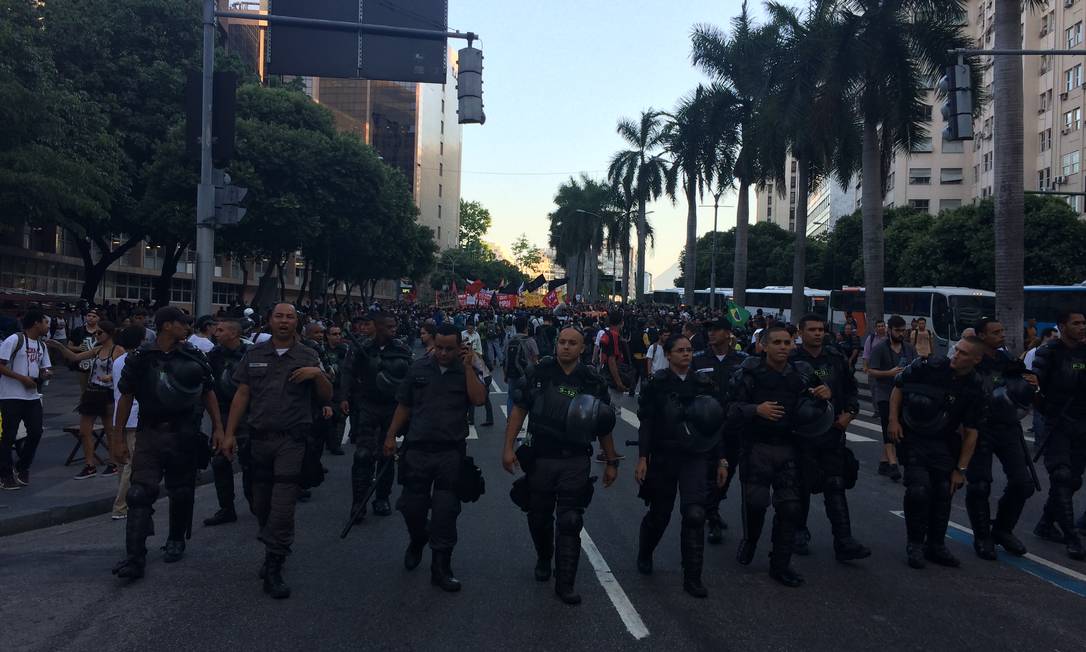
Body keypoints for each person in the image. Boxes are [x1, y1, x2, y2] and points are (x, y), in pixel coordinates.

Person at [502, 326, 620, 604]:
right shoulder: (538, 373)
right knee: (538, 516)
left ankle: (565, 583)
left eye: (572, 343)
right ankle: (544, 557)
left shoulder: (592, 379)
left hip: (575, 459)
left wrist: (611, 461)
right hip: (540, 456)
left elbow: (603, 425)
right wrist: (508, 448)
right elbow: (519, 410)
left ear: (582, 348)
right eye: (562, 342)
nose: (566, 347)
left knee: (570, 520)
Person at [225, 303, 332, 598]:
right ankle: (273, 542)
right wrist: (228, 434)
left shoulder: (309, 354)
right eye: (279, 316)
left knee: (283, 505)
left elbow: (327, 394)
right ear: (270, 321)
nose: (284, 321)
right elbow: (242, 395)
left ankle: (274, 563)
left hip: (292, 441)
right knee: (260, 504)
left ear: (297, 322)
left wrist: (317, 374)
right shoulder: (254, 354)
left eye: (290, 317)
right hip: (258, 440)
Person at [111, 307, 225, 581]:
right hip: (149, 432)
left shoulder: (194, 355)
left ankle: (176, 539)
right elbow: (125, 397)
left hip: (184, 433)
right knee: (138, 494)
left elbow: (208, 392)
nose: (186, 327)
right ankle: (135, 557)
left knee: (182, 491)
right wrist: (116, 438)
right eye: (181, 323)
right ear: (166, 326)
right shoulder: (140, 357)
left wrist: (219, 428)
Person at [382, 324, 487, 592]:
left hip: (450, 452)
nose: (442, 353)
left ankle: (441, 567)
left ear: (459, 346)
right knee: (411, 507)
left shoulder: (468, 369)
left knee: (445, 511)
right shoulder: (418, 368)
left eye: (449, 348)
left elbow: (478, 399)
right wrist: (391, 436)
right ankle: (418, 539)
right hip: (417, 449)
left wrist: (466, 367)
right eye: (439, 347)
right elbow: (404, 404)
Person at [730, 325, 830, 587]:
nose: (783, 347)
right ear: (764, 345)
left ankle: (781, 564)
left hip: (789, 447)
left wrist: (824, 394)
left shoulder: (803, 373)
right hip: (757, 447)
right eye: (777, 342)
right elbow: (728, 409)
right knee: (756, 503)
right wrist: (755, 409)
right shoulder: (748, 373)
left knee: (790, 507)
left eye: (787, 342)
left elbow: (823, 398)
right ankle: (750, 540)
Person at [634, 335, 729, 597]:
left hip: (696, 457)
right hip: (664, 457)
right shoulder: (658, 384)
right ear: (669, 354)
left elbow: (715, 426)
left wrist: (721, 459)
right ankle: (645, 552)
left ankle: (692, 577)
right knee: (659, 515)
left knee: (695, 515)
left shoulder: (703, 384)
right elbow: (647, 423)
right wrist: (643, 458)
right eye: (680, 350)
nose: (686, 354)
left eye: (689, 349)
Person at [888, 336, 984, 569]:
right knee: (919, 490)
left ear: (976, 359)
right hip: (914, 437)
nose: (956, 355)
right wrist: (892, 420)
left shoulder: (974, 385)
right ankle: (915, 545)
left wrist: (961, 470)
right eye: (956, 349)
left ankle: (936, 545)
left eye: (962, 353)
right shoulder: (929, 366)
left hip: (943, 442)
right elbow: (899, 386)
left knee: (943, 491)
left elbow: (972, 431)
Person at [789, 314, 870, 561]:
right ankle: (798, 532)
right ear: (801, 332)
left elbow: (851, 391)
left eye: (820, 329)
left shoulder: (835, 358)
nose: (817, 333)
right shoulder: (790, 360)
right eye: (811, 329)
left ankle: (843, 540)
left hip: (832, 432)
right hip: (800, 434)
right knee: (800, 485)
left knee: (835, 484)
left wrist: (850, 414)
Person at [965, 317, 1037, 560]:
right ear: (981, 336)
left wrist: (1030, 383)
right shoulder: (970, 359)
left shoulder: (1006, 359)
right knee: (980, 485)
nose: (1002, 335)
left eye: (1002, 330)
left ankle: (1003, 530)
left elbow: (1022, 380)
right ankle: (982, 535)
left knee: (1023, 483)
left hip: (1006, 427)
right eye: (995, 332)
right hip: (979, 428)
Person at [339, 312, 413, 519]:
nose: (393, 330)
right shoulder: (360, 347)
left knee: (387, 455)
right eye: (389, 327)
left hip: (392, 408)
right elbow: (347, 372)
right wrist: (343, 397)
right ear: (379, 327)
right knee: (362, 455)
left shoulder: (402, 349)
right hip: (367, 406)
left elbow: (411, 379)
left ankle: (382, 498)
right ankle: (358, 502)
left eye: (394, 327)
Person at [1032, 311, 1086, 560]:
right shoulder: (1049, 352)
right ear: (1062, 326)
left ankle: (1045, 523)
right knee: (1061, 476)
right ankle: (1072, 537)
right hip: (1056, 423)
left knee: (1074, 479)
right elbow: (1034, 385)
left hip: (1081, 422)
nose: (1082, 327)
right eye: (1077, 323)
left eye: (1084, 323)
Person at [692, 319, 747, 545]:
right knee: (708, 474)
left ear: (728, 334)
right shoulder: (698, 360)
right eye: (709, 331)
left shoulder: (743, 361)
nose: (711, 334)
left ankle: (712, 507)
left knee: (727, 472)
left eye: (716, 330)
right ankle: (712, 516)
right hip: (706, 426)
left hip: (733, 426)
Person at [49, 322, 125, 479]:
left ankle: (113, 463)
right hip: (92, 391)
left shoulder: (117, 350)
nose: (96, 335)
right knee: (85, 431)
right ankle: (89, 465)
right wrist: (59, 346)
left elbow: (122, 370)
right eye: (96, 333)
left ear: (109, 334)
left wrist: (110, 377)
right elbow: (75, 357)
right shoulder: (97, 350)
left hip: (107, 392)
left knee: (109, 430)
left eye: (99, 333)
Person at [202, 319, 252, 526]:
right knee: (220, 461)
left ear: (234, 333)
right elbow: (207, 387)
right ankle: (226, 508)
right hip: (222, 412)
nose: (216, 332)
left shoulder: (250, 353)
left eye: (221, 330)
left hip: (249, 414)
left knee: (251, 460)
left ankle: (255, 500)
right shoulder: (213, 355)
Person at [0, 311, 53, 490]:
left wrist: (45, 374)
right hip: (11, 395)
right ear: (36, 323)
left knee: (36, 431)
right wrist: (21, 378)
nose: (48, 326)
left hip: (32, 395)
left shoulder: (41, 345)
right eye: (46, 323)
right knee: (8, 436)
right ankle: (5, 474)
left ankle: (22, 466)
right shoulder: (15, 340)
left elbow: (45, 367)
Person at [868, 316, 918, 482]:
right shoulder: (879, 348)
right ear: (889, 330)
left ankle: (884, 461)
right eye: (897, 330)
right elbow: (871, 371)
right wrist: (889, 373)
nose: (900, 333)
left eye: (903, 330)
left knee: (902, 427)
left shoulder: (909, 349)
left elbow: (916, 366)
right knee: (887, 426)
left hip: (904, 394)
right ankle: (893, 464)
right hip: (884, 393)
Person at [110, 326, 146, 520]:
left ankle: (121, 500)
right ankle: (120, 505)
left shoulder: (118, 361)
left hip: (120, 416)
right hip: (134, 414)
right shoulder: (139, 360)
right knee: (131, 463)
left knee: (123, 463)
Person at [503, 316, 540, 416]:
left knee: (511, 397)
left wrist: (505, 374)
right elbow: (535, 359)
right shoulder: (530, 340)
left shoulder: (509, 339)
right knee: (529, 398)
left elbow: (505, 357)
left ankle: (510, 419)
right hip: (527, 374)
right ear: (526, 327)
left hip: (512, 373)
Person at [323, 324, 350, 455]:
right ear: (327, 336)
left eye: (339, 334)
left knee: (341, 417)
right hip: (326, 387)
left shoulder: (345, 350)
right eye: (334, 334)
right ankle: (330, 442)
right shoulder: (322, 350)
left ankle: (336, 444)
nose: (338, 337)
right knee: (328, 417)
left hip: (341, 387)